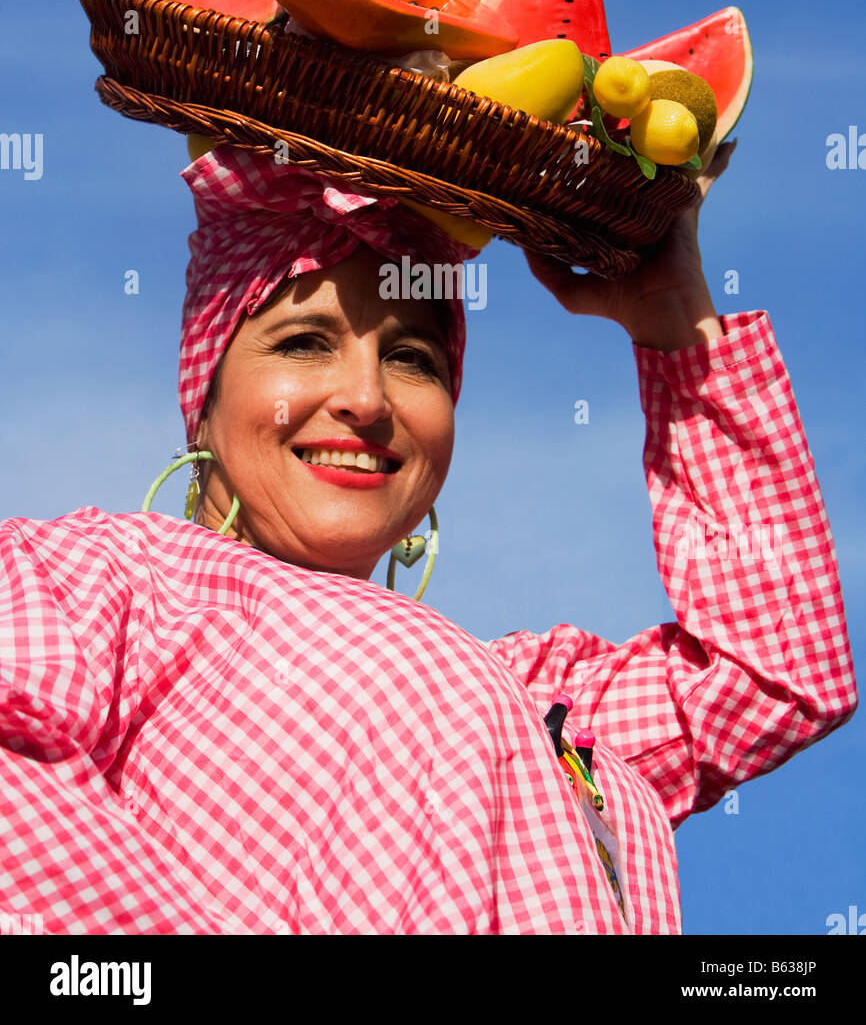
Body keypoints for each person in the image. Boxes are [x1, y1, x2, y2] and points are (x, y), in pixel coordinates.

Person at [0, 137, 856, 935]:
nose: (367, 400)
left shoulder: (534, 705)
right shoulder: (91, 582)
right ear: (206, 387)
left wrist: (676, 320)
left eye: (414, 359)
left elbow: (772, 675)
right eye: (303, 342)